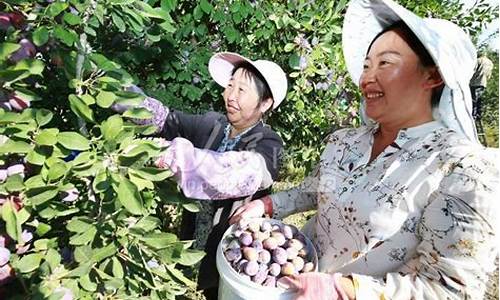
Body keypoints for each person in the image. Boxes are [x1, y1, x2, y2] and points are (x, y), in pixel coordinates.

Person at [230, 0, 498, 299]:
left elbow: (452, 290)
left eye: (385, 63)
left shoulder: (464, 170)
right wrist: (268, 205)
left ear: (433, 76)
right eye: (367, 65)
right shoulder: (344, 142)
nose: (366, 78)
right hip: (289, 284)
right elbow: (314, 189)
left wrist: (346, 290)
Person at [113, 52, 288, 299]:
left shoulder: (269, 144)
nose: (230, 96)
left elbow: (243, 173)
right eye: (230, 86)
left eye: (242, 90)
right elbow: (164, 120)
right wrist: (111, 87)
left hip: (230, 257)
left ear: (266, 103)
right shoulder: (212, 124)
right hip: (191, 243)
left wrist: (175, 158)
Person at [469, 51, 493, 119]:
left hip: (474, 83)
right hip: (483, 83)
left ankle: (473, 115)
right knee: (479, 99)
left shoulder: (478, 60)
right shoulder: (490, 63)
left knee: (473, 99)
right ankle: (479, 114)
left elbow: (473, 70)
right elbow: (489, 75)